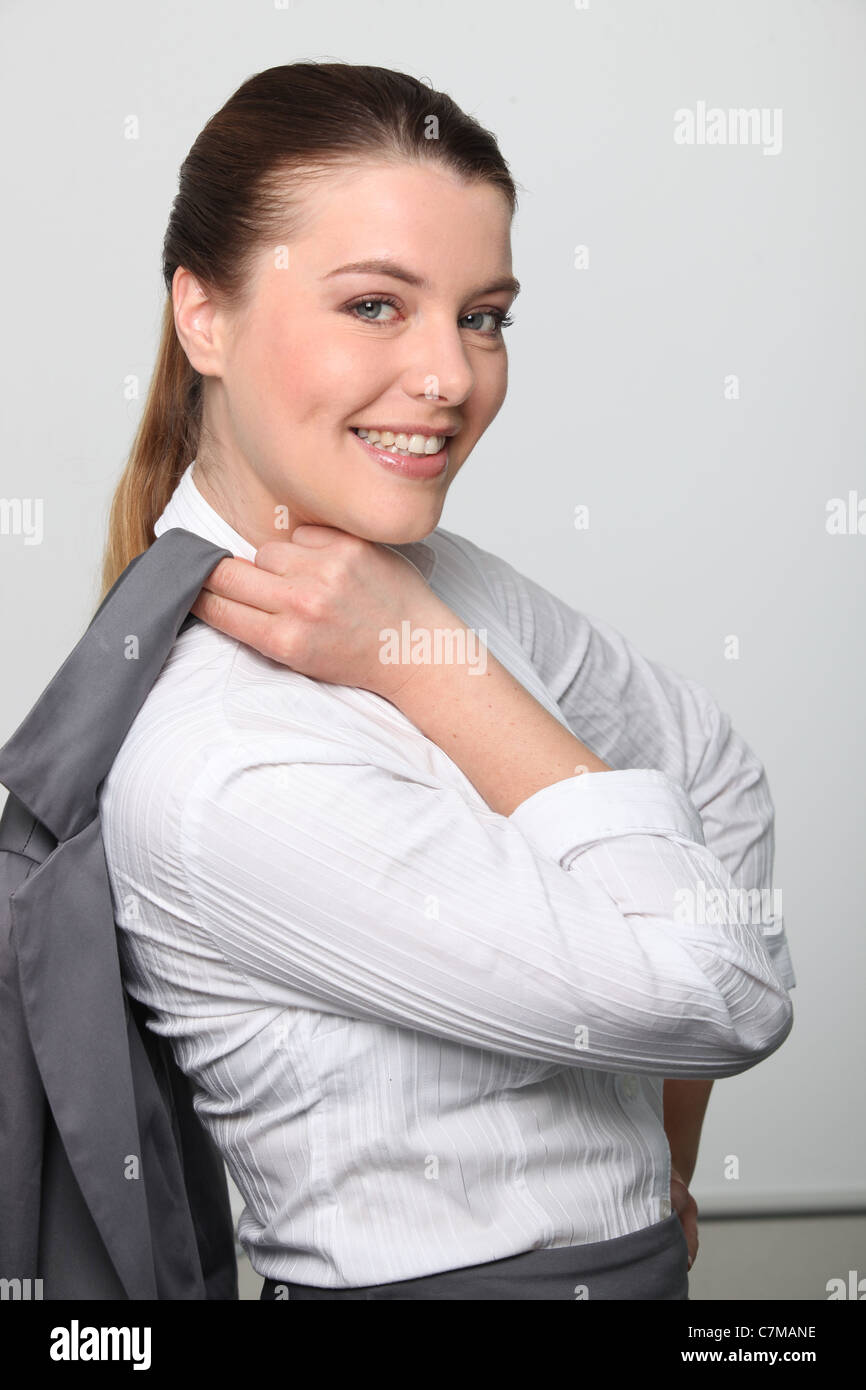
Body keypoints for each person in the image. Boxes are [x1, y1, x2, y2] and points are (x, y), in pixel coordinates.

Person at [97, 61, 796, 1301]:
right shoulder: (216, 760)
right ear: (202, 316)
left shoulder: (443, 582)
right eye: (374, 305)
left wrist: (663, 1170)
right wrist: (442, 675)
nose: (450, 377)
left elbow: (716, 772)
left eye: (484, 315)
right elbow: (724, 989)